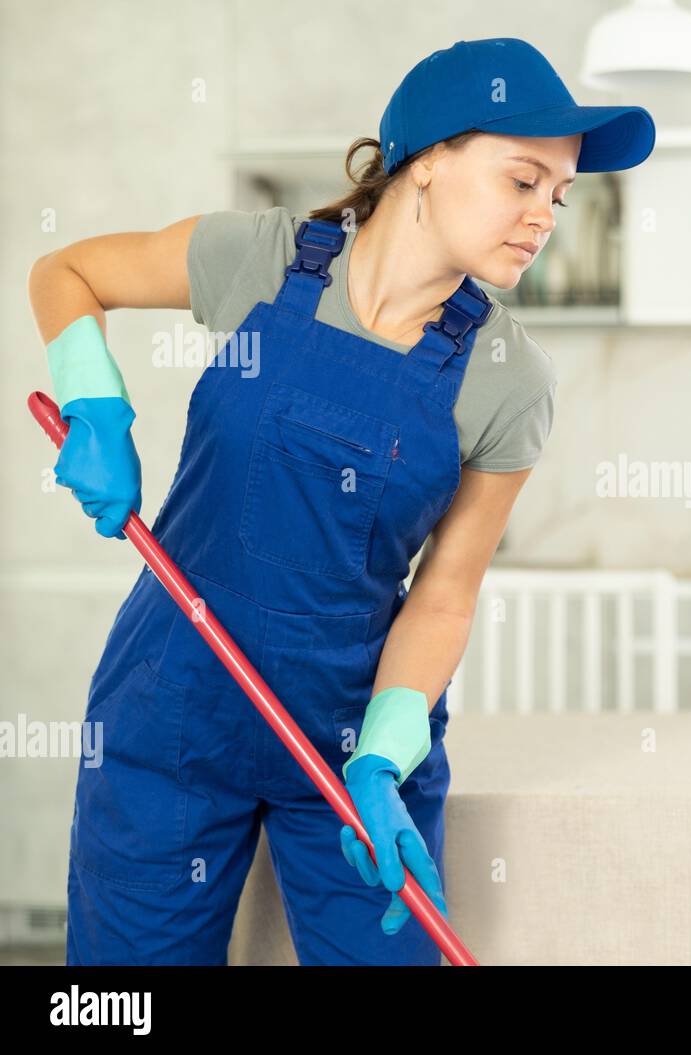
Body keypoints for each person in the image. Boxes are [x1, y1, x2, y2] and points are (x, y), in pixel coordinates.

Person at [27, 37, 655, 965]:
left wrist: (384, 755)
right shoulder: (261, 262)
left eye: (559, 197)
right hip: (173, 703)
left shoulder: (507, 377)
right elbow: (66, 274)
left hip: (347, 737)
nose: (544, 217)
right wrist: (95, 405)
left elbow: (446, 592)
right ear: (429, 159)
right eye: (524, 181)